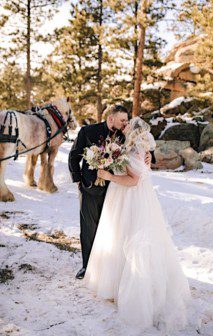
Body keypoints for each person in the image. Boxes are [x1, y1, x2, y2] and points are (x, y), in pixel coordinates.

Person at [84, 117, 191, 331]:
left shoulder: (131, 151)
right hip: (135, 198)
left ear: (133, 131)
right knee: (123, 237)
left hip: (128, 197)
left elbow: (133, 180)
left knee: (126, 237)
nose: (124, 126)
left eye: (127, 125)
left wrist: (107, 175)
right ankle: (117, 282)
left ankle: (127, 289)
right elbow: (142, 172)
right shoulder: (137, 148)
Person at [68, 105, 129, 280]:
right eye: (122, 120)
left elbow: (140, 150)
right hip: (89, 187)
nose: (125, 123)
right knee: (88, 228)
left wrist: (149, 155)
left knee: (111, 228)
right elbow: (74, 156)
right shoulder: (88, 131)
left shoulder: (124, 136)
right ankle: (87, 266)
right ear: (111, 118)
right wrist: (78, 180)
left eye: (126, 120)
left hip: (115, 190)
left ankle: (108, 265)